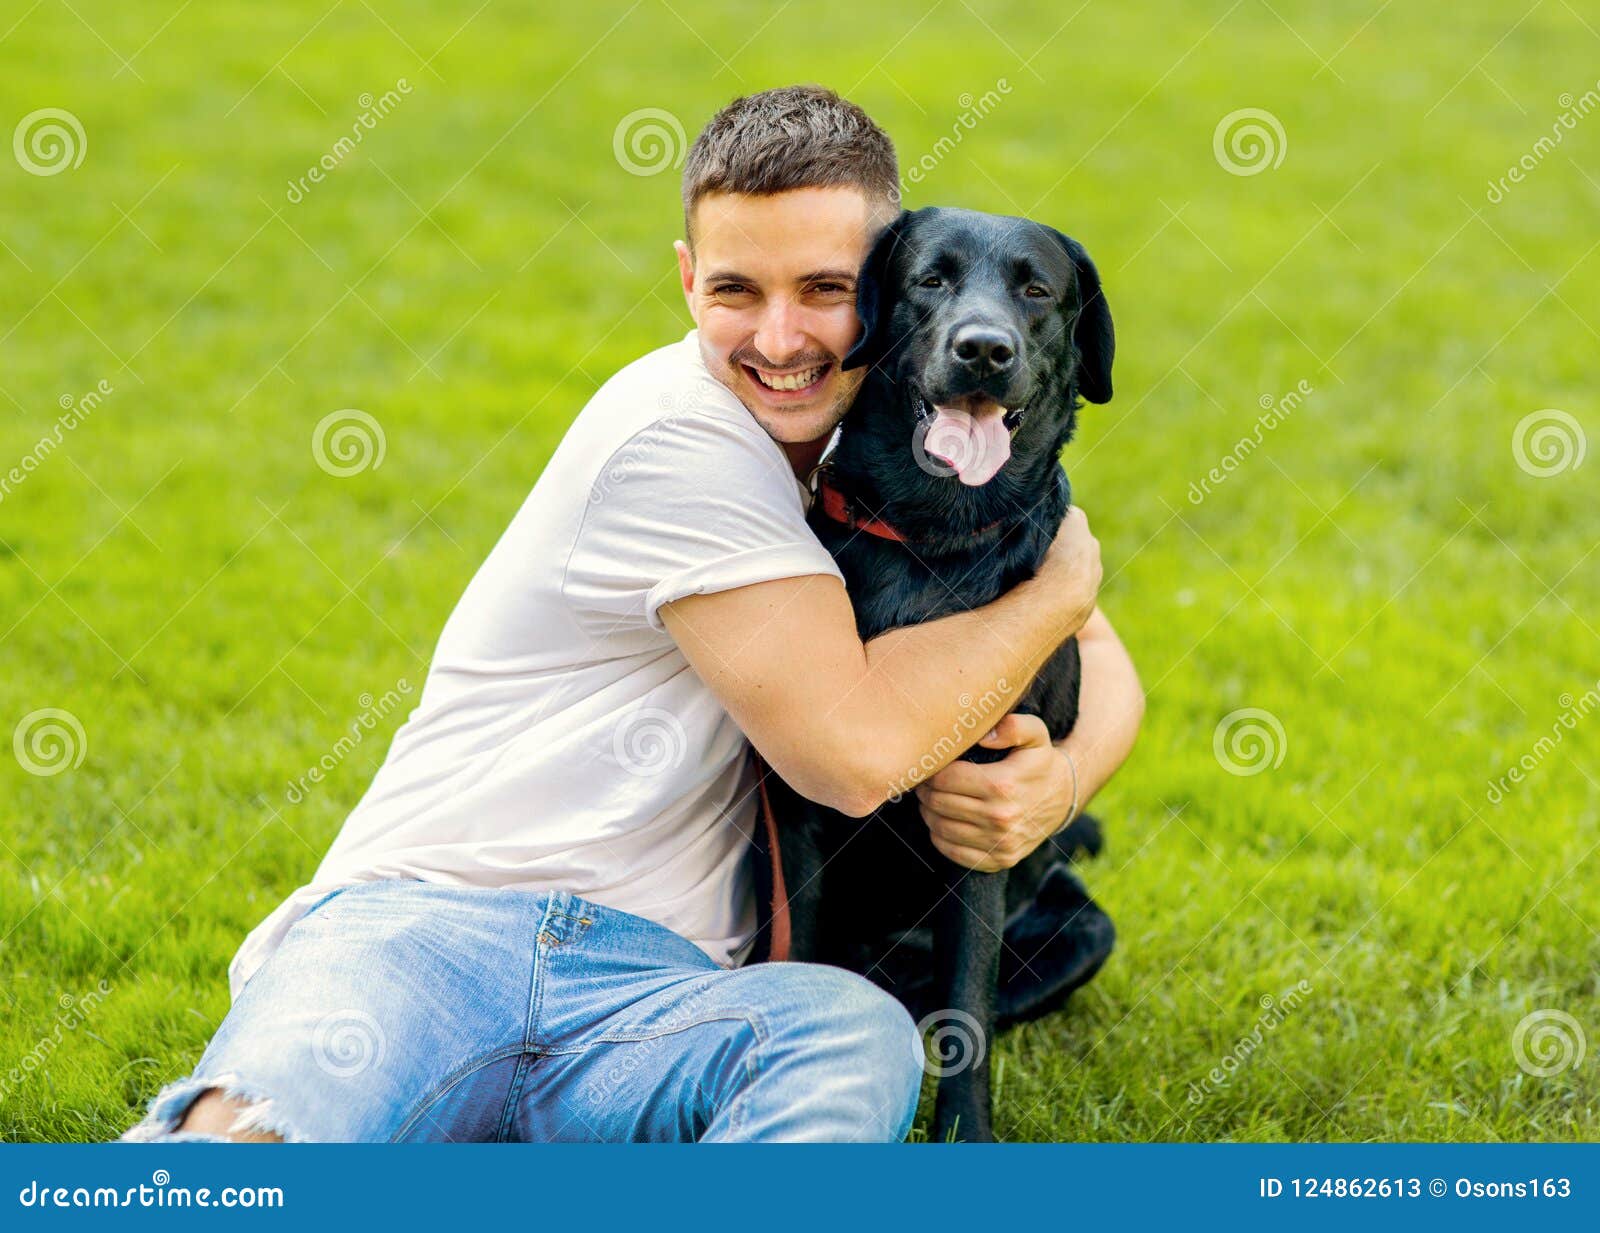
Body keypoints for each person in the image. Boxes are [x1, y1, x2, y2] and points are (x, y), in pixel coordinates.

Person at [122, 85, 1141, 1145]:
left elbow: (1093, 658)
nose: (783, 338)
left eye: (825, 289)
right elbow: (856, 755)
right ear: (688, 279)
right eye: (738, 290)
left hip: (656, 995)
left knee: (854, 1037)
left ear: (881, 299)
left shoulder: (867, 466)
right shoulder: (678, 441)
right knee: (251, 1142)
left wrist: (1057, 775)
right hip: (429, 935)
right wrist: (1063, 587)